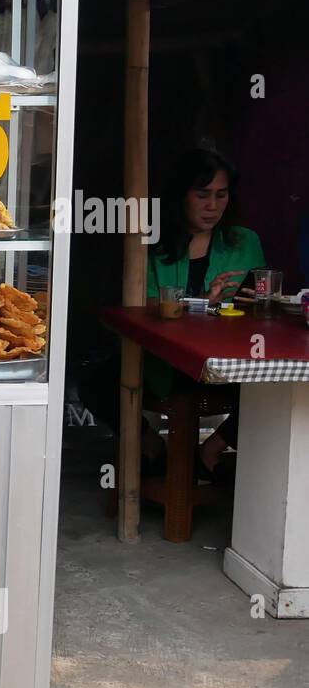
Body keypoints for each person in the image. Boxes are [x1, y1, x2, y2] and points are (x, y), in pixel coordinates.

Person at [81, 148, 264, 480]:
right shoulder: (154, 243)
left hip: (227, 363)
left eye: (221, 195)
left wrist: (255, 302)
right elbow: (143, 305)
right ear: (181, 195)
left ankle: (214, 448)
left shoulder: (243, 241)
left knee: (275, 388)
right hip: (163, 363)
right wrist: (201, 303)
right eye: (202, 195)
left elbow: (254, 301)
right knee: (96, 384)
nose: (212, 206)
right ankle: (150, 445)